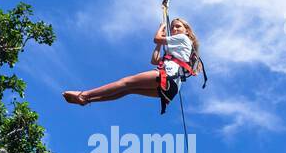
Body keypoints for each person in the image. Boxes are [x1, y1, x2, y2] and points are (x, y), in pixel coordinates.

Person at [62, 15, 202, 114]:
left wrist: (162, 27)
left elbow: (156, 38)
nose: (175, 29)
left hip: (167, 77)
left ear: (186, 31)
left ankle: (84, 94)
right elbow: (154, 60)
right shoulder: (177, 48)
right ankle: (87, 100)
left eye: (178, 26)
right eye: (173, 28)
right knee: (128, 90)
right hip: (172, 88)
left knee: (126, 82)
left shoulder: (183, 38)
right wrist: (160, 46)